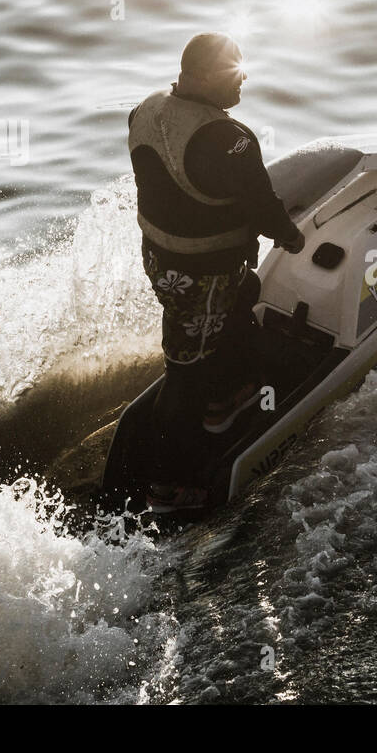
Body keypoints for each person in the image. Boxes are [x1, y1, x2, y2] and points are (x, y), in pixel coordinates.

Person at [127, 33, 304, 505]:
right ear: (201, 78)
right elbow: (264, 207)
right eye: (235, 74)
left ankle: (227, 396)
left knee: (243, 294)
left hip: (161, 260)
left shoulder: (146, 108)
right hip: (202, 271)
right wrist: (292, 236)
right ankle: (170, 482)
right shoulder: (230, 140)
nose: (244, 82)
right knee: (186, 372)